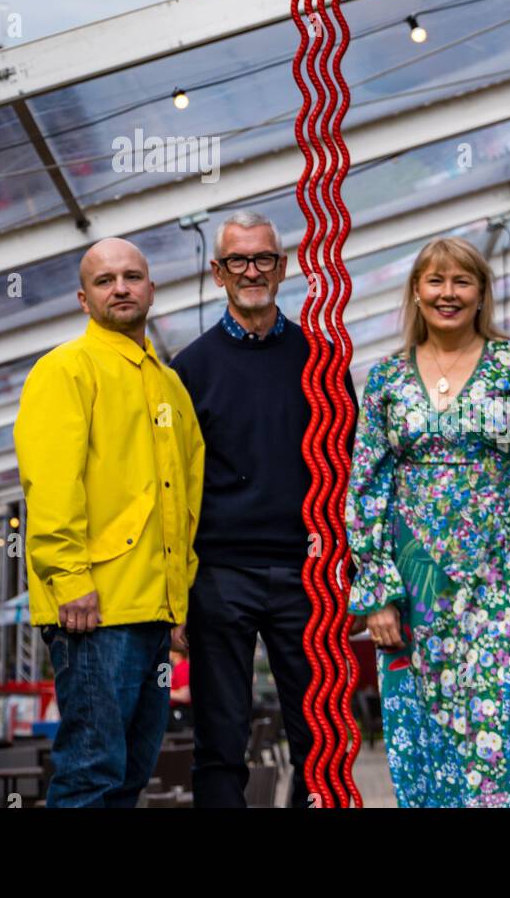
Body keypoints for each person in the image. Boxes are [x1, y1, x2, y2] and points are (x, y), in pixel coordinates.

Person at [345, 235, 510, 808]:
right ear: (416, 293)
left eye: (461, 281)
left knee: (505, 736)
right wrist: (377, 590)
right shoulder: (387, 379)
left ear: (481, 293)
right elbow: (367, 484)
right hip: (416, 592)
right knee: (421, 738)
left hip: (499, 588)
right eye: (435, 281)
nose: (448, 293)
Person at [171, 209, 357, 808]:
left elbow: (354, 473)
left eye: (263, 259)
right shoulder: (189, 370)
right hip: (218, 577)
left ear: (283, 267)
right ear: (217, 273)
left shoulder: (324, 363)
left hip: (308, 576)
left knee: (320, 740)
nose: (251, 271)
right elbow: (173, 489)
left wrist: (349, 573)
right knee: (219, 742)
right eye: (237, 261)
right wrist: (176, 595)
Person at [14, 237, 204, 807]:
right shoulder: (65, 370)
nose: (120, 287)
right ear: (82, 298)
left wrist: (179, 606)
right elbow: (49, 485)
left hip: (152, 614)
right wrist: (70, 579)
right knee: (89, 774)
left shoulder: (168, 384)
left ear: (151, 288)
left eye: (131, 276)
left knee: (128, 778)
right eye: (104, 280)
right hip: (93, 613)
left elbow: (186, 499)